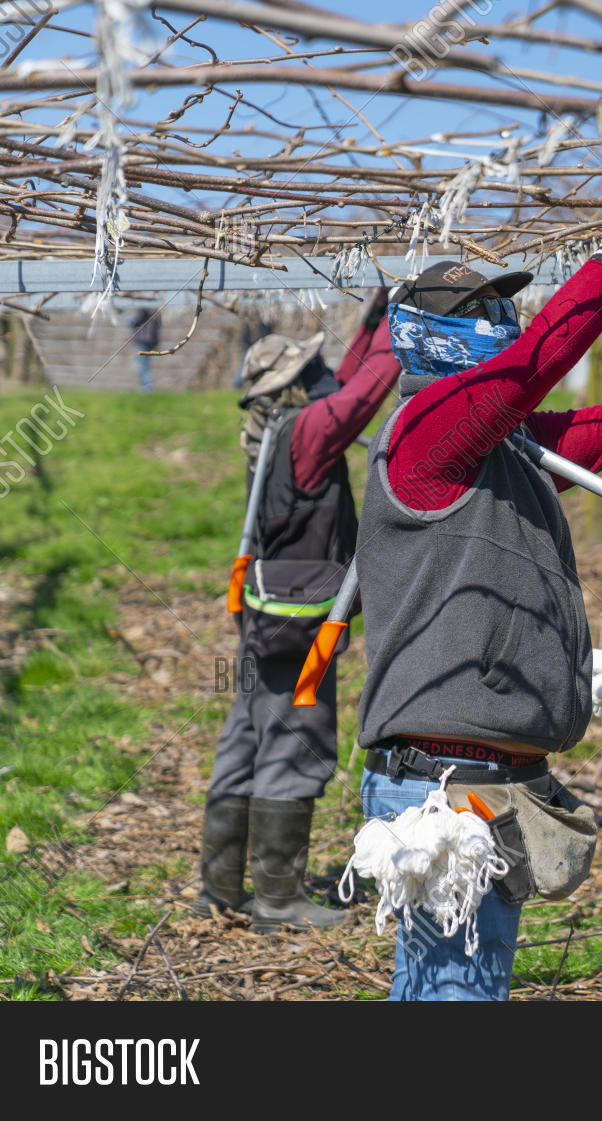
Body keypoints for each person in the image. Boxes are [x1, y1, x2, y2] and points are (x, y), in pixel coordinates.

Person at [355, 179, 602, 1001]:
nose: (499, 320)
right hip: (448, 783)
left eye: (503, 308)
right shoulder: (425, 433)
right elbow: (534, 362)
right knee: (458, 995)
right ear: (429, 333)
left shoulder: (505, 445)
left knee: (446, 990)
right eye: (479, 308)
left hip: (490, 771)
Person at [195, 291, 400, 933]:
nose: (323, 375)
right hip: (297, 628)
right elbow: (362, 397)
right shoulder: (307, 433)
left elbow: (346, 383)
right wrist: (408, 325)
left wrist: (374, 323)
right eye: (311, 370)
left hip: (264, 621)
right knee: (295, 743)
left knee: (244, 741)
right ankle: (280, 899)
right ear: (292, 387)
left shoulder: (279, 429)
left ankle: (220, 889)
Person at [130, 307, 160, 392]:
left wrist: (133, 320)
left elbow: (134, 323)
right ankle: (146, 387)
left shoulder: (144, 312)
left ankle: (148, 387)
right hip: (149, 343)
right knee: (143, 366)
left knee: (142, 366)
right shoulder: (154, 315)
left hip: (142, 343)